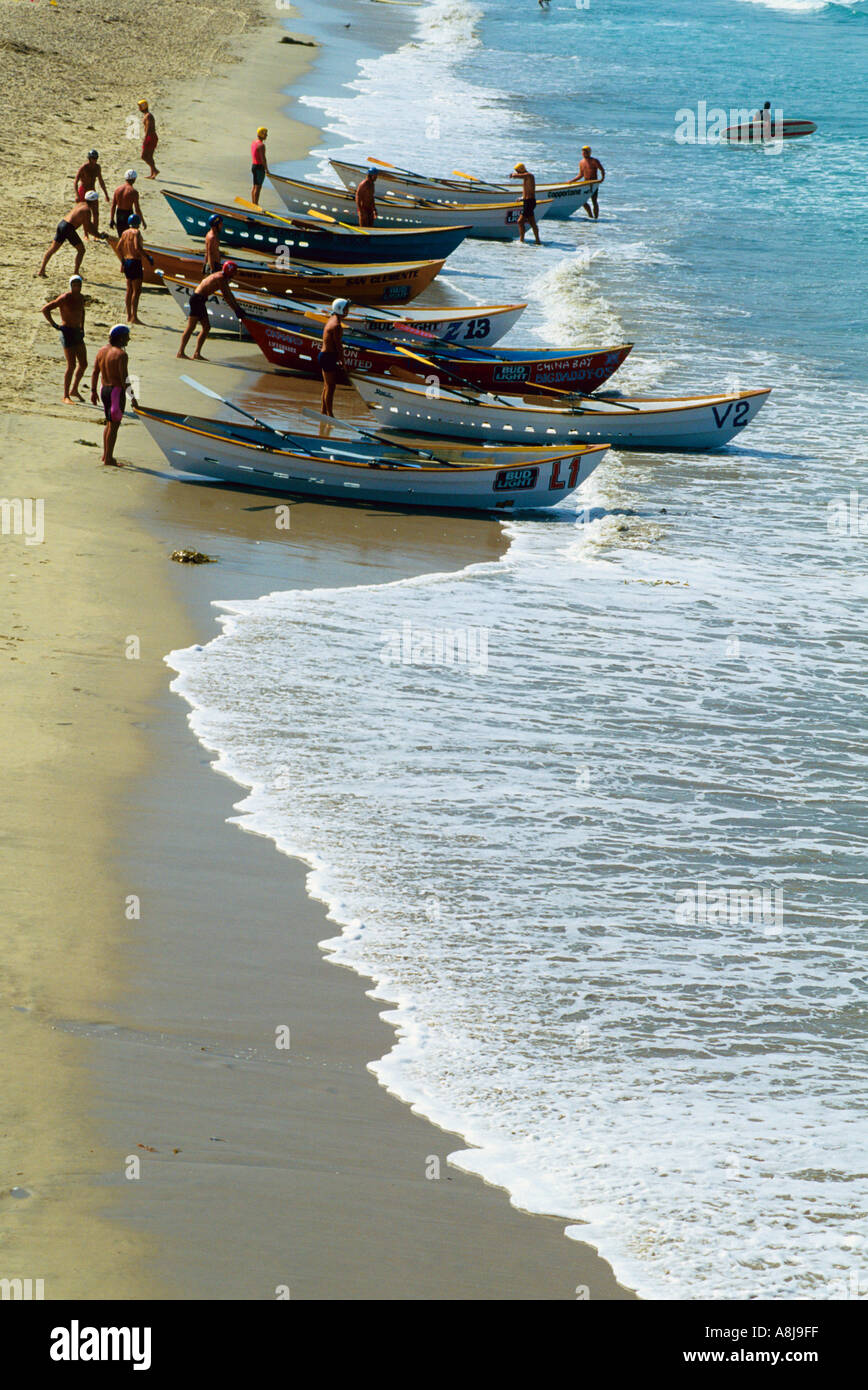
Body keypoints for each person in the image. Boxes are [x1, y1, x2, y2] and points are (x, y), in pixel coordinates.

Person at [91, 324, 136, 467]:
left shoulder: (101, 351)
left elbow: (95, 372)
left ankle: (106, 455)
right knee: (114, 426)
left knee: (109, 423)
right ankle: (109, 459)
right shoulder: (121, 355)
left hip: (104, 390)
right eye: (127, 336)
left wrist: (93, 391)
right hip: (116, 392)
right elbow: (124, 379)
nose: (129, 339)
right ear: (121, 337)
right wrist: (133, 398)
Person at [176, 262, 241, 360]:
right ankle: (181, 352)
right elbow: (227, 296)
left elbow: (230, 294)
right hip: (197, 299)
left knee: (206, 327)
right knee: (191, 327)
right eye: (234, 272)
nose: (235, 275)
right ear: (230, 272)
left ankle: (197, 354)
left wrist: (238, 308)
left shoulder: (221, 276)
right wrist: (236, 310)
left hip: (200, 300)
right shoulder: (220, 279)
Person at [42, 274, 87, 403]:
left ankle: (75, 390)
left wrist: (82, 327)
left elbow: (82, 312)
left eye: (79, 285)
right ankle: (66, 395)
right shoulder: (65, 297)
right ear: (70, 286)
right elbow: (46, 309)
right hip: (66, 331)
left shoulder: (81, 298)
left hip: (77, 332)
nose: (77, 287)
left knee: (83, 364)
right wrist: (54, 324)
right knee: (71, 365)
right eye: (74, 285)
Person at [37, 192, 100, 277]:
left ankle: (42, 270)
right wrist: (99, 235)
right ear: (94, 201)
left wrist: (97, 233)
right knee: (81, 250)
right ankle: (76, 272)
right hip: (68, 228)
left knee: (53, 249)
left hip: (62, 224)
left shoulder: (81, 204)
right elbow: (88, 228)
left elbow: (88, 225)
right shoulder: (87, 211)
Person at [319, 298, 349, 417]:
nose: (348, 311)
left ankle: (323, 411)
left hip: (324, 356)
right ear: (341, 310)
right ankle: (330, 415)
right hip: (328, 357)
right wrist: (343, 361)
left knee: (327, 385)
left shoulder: (332, 319)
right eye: (346, 309)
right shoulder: (337, 326)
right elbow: (339, 346)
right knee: (331, 387)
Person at [117, 214, 145, 324]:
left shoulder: (124, 233)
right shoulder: (136, 233)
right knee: (136, 291)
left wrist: (123, 261)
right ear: (138, 224)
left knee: (129, 290)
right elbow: (137, 247)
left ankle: (129, 316)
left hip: (127, 262)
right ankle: (134, 317)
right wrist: (147, 256)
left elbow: (119, 248)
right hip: (135, 262)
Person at [74, 151, 109, 237]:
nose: (95, 160)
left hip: (92, 190)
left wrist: (106, 193)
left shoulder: (97, 168)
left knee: (96, 213)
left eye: (96, 158)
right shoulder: (84, 167)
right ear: (89, 159)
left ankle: (95, 233)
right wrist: (77, 195)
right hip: (83, 190)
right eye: (93, 158)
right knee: (86, 214)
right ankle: (86, 234)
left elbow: (101, 181)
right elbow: (76, 182)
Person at [508, 163, 540, 245]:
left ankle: (522, 240)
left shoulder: (529, 175)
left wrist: (513, 175)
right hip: (527, 202)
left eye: (518, 171)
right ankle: (537, 241)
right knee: (532, 222)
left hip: (530, 202)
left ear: (521, 169)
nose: (518, 173)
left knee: (520, 221)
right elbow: (528, 191)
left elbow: (520, 176)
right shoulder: (525, 178)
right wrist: (521, 198)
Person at [111, 170, 146, 236]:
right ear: (134, 179)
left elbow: (113, 206)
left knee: (121, 234)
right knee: (129, 235)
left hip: (119, 213)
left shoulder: (118, 189)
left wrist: (112, 219)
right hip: (128, 214)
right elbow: (137, 209)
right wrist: (143, 221)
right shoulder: (133, 192)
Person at [573, 145, 605, 219]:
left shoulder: (594, 161)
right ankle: (590, 215)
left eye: (585, 152)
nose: (584, 153)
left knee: (594, 201)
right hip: (585, 183)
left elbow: (602, 170)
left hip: (593, 183)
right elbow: (581, 175)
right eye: (583, 152)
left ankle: (596, 218)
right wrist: (571, 181)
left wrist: (602, 179)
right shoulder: (581, 162)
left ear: (589, 153)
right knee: (582, 201)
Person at [138, 99, 159, 179]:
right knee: (149, 156)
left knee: (144, 156)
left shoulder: (148, 116)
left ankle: (155, 170)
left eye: (140, 107)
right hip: (152, 136)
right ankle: (152, 173)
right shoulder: (147, 115)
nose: (139, 108)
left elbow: (148, 128)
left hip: (150, 137)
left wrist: (145, 139)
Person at [251, 127, 269, 204]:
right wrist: (266, 169)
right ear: (261, 135)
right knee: (258, 187)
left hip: (254, 166)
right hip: (259, 167)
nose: (266, 135)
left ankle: (253, 203)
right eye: (265, 134)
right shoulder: (261, 145)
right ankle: (256, 204)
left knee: (255, 185)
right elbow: (263, 158)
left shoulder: (254, 143)